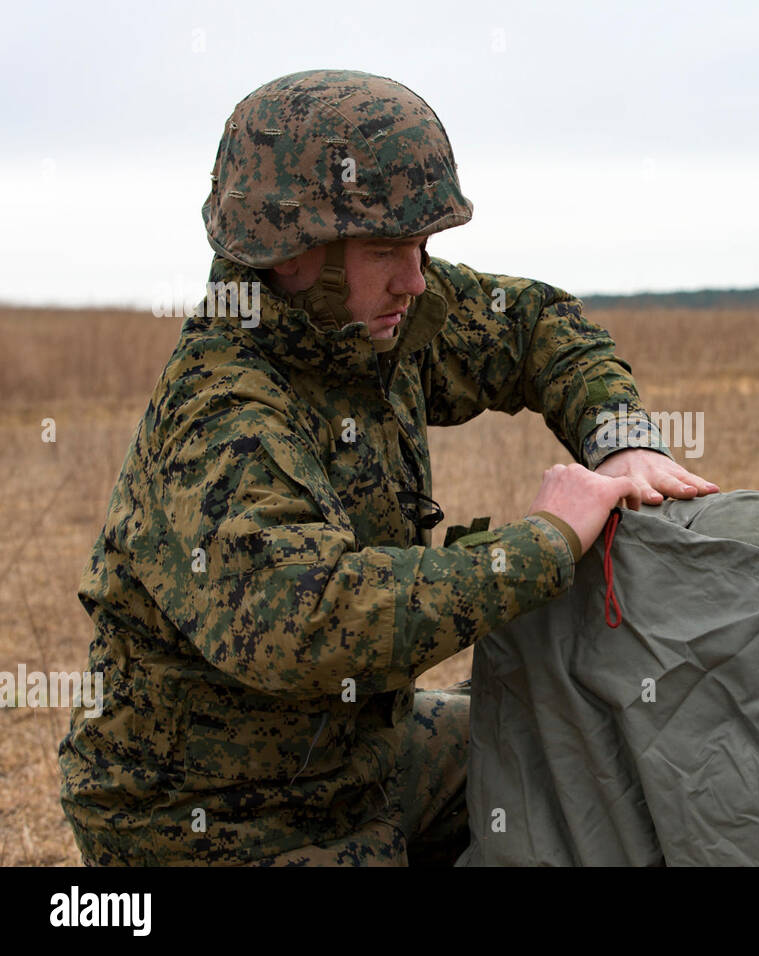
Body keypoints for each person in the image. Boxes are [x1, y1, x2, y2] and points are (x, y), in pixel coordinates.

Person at [57, 68, 718, 865]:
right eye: (385, 250)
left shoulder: (378, 319)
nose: (415, 278)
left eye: (423, 247)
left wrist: (622, 438)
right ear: (293, 252)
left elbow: (539, 326)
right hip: (215, 817)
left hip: (361, 760)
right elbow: (314, 623)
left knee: (568, 748)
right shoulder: (220, 413)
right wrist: (542, 543)